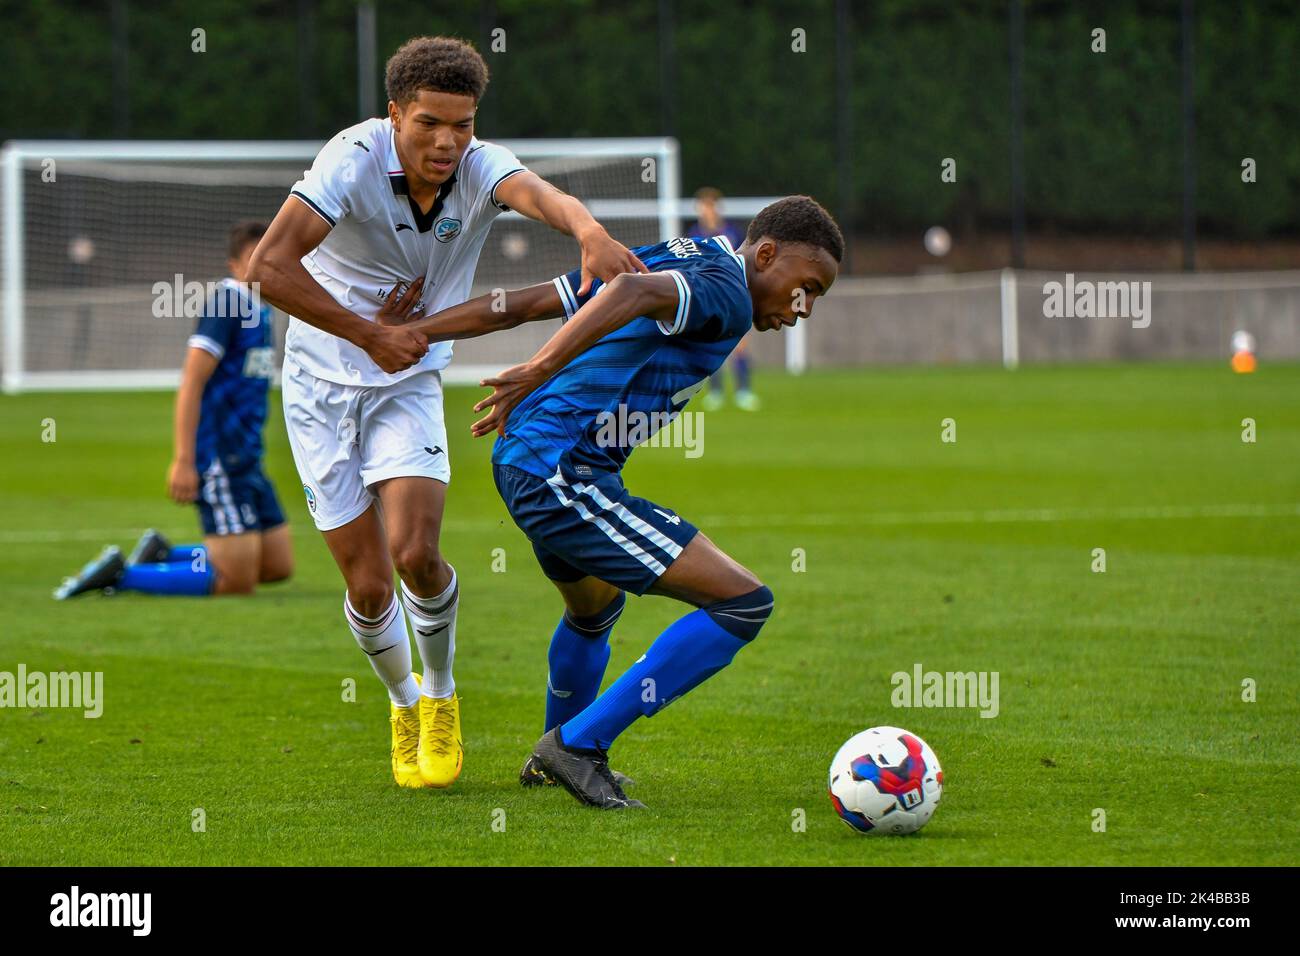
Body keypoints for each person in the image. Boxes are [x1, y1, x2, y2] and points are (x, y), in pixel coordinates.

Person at [245, 36, 645, 791]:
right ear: (394, 115)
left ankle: (438, 692)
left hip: (408, 383)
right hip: (320, 386)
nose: (447, 142)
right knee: (366, 586)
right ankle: (401, 703)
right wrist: (371, 333)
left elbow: (543, 197)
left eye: (461, 125)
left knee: (416, 555)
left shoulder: (481, 164)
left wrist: (588, 230)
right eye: (429, 123)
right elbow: (270, 267)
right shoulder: (351, 158)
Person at [403, 196, 842, 808]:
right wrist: (538, 366)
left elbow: (530, 303)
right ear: (766, 254)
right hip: (560, 470)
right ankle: (578, 747)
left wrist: (413, 330)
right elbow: (631, 294)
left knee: (594, 611)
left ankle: (550, 754)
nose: (804, 309)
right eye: (807, 288)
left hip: (534, 460)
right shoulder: (728, 291)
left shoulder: (679, 253)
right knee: (745, 604)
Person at [55, 221, 294, 600]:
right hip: (220, 457)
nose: (265, 264)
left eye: (272, 255)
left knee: (277, 565)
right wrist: (185, 460)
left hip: (248, 456)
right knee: (237, 582)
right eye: (254, 258)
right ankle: (123, 575)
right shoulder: (228, 304)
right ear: (234, 265)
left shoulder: (261, 307)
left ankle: (163, 555)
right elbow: (191, 382)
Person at [688, 187, 759, 411]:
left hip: (734, 295)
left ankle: (744, 391)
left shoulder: (732, 232)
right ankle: (716, 392)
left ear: (716, 208)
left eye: (709, 207)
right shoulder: (694, 234)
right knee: (712, 343)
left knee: (740, 345)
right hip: (709, 296)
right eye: (702, 207)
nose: (706, 212)